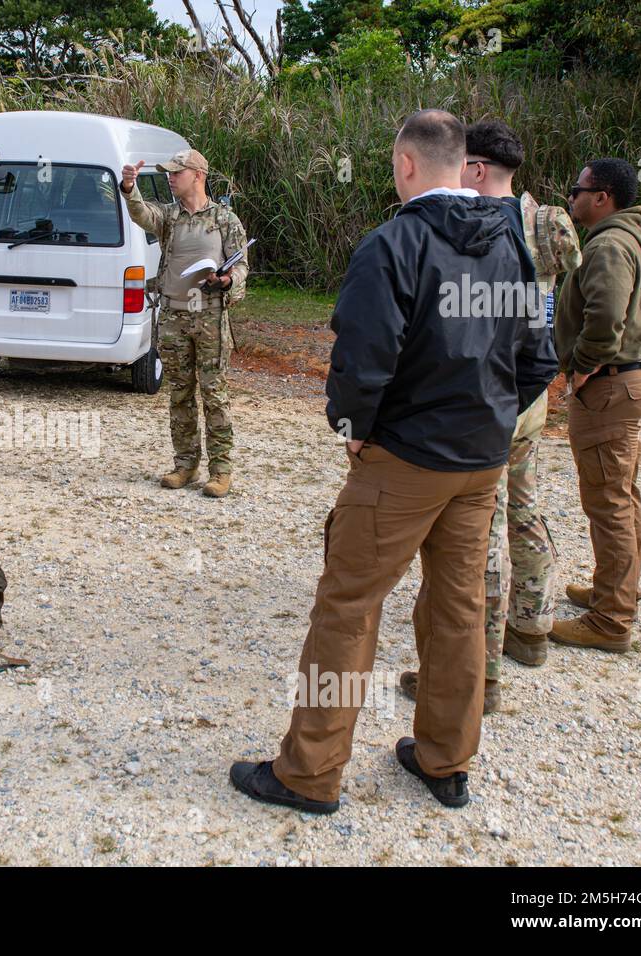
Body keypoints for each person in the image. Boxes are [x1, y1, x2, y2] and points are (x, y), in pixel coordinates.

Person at [229, 110, 558, 813]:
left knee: (348, 606)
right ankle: (445, 759)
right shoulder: (511, 241)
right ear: (461, 163)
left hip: (404, 459)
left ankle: (309, 773)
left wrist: (355, 428)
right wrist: (494, 419)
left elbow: (363, 356)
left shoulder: (394, 243)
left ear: (407, 164)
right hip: (481, 460)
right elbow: (539, 356)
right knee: (459, 608)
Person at [399, 119, 580, 710]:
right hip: (531, 390)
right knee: (526, 509)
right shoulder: (549, 221)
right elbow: (565, 293)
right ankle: (533, 628)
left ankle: (481, 676)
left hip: (486, 399)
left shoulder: (470, 225)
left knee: (479, 539)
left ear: (475, 168)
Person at [552, 158, 641, 653]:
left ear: (602, 197)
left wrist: (581, 366)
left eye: (577, 190)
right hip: (636, 380)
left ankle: (611, 620)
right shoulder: (632, 239)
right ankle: (616, 591)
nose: (571, 198)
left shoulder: (608, 246)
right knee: (622, 494)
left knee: (608, 502)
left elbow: (604, 318)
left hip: (613, 387)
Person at [119, 149, 247, 497]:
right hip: (174, 315)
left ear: (198, 175)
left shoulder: (224, 219)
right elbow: (142, 213)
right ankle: (186, 465)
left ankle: (221, 471)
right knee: (180, 393)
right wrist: (129, 187)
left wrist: (228, 280)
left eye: (177, 173)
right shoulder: (169, 216)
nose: (171, 178)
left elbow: (241, 265)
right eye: (170, 173)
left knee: (214, 393)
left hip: (209, 315)